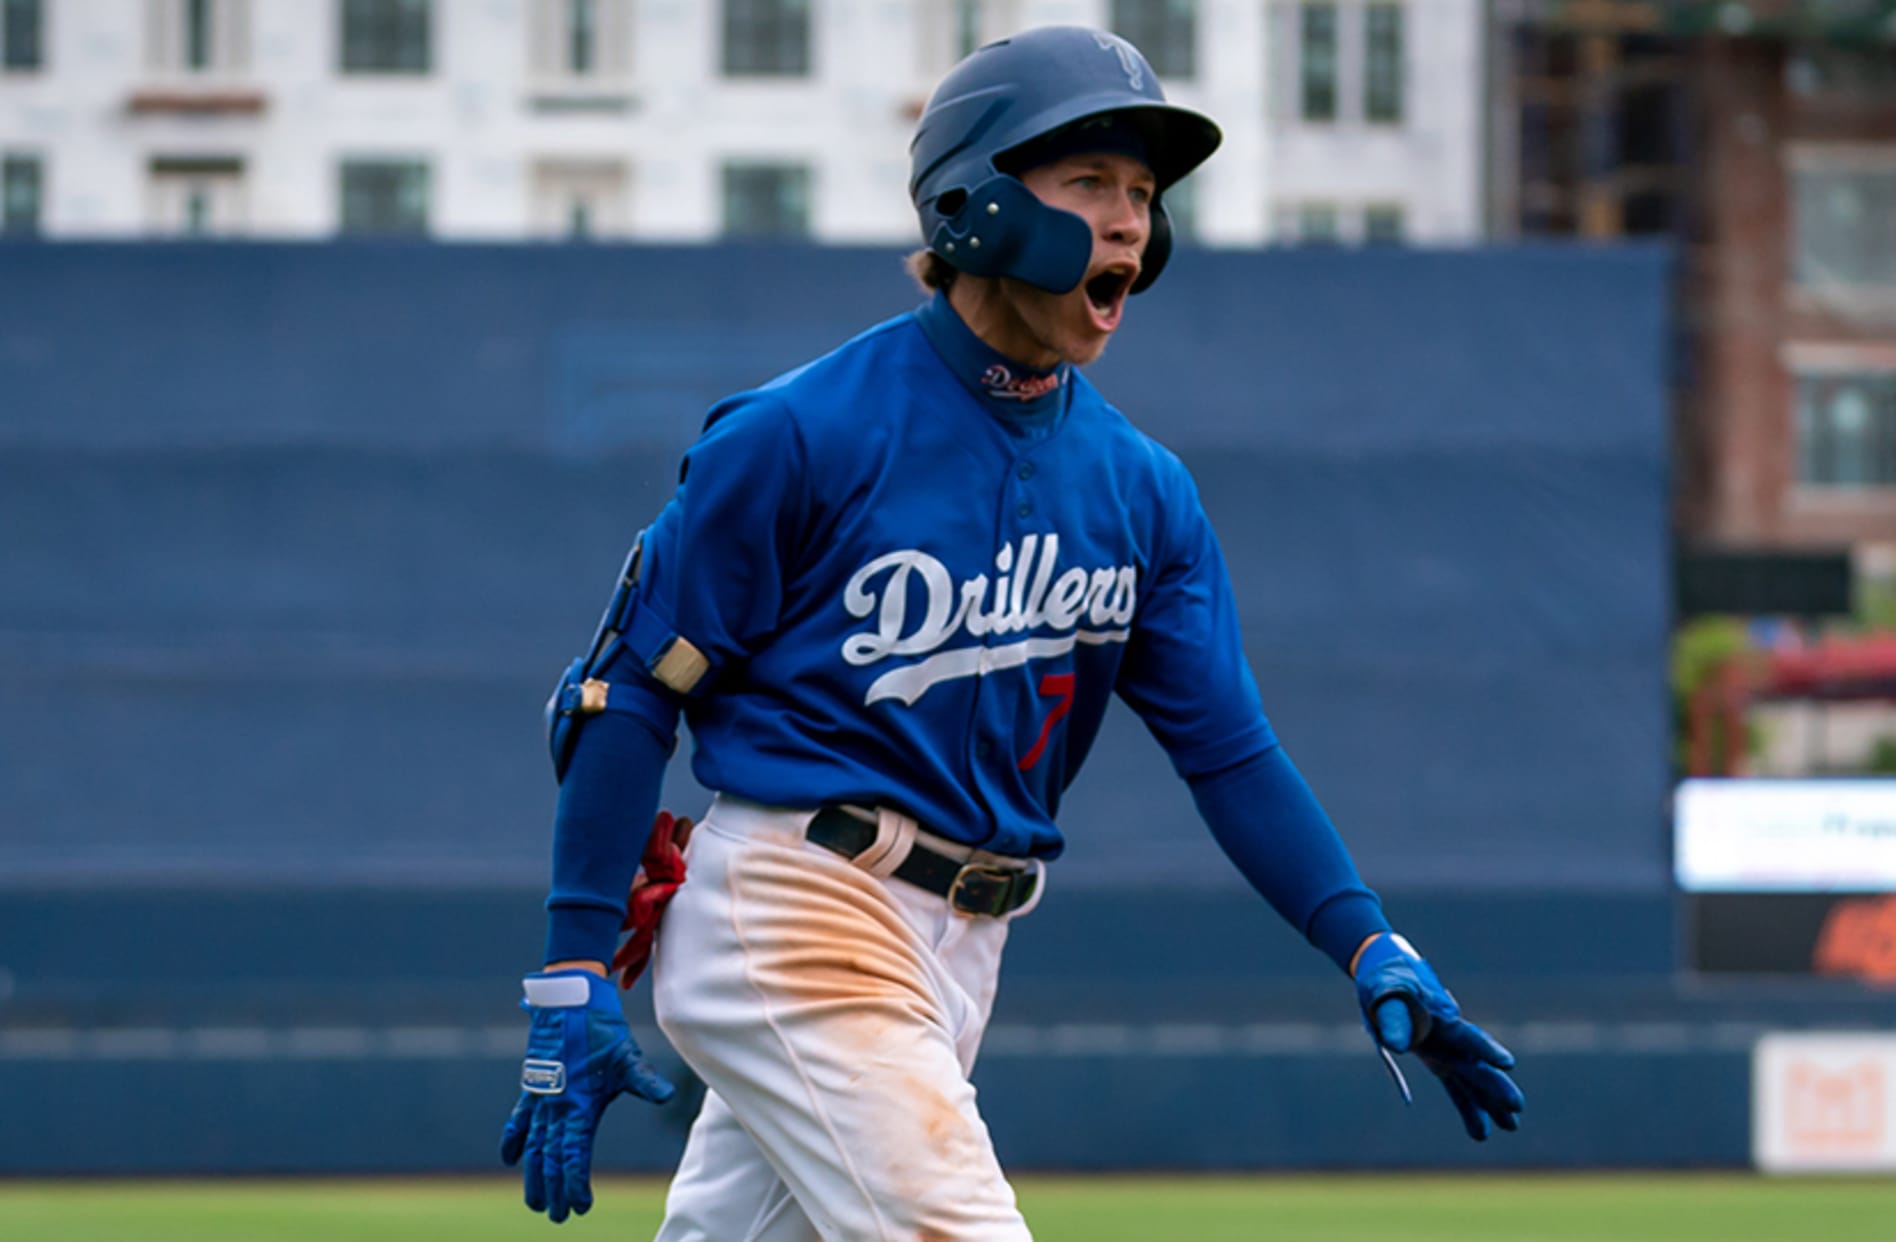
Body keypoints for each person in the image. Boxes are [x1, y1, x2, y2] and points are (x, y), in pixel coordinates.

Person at [499, 26, 1524, 1241]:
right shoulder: (801, 432)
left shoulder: (1141, 489)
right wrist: (573, 964)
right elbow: (628, 687)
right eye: (1090, 180)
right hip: (797, 908)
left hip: (962, 948)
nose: (1131, 222)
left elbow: (1230, 751)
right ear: (971, 202)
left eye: (1144, 192)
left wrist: (1367, 942)